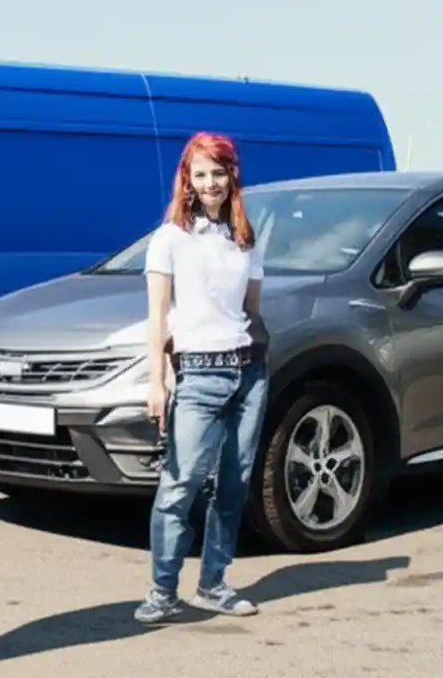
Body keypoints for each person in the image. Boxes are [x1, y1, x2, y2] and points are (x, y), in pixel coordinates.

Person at [135, 131, 269, 624]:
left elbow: (251, 313)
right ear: (187, 180)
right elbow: (158, 319)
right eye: (201, 174)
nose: (210, 183)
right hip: (196, 373)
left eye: (219, 172)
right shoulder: (170, 238)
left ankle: (213, 583)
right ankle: (162, 592)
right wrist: (157, 381)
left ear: (233, 176)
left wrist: (258, 352)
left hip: (248, 371)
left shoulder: (245, 238)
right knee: (181, 483)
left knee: (233, 484)